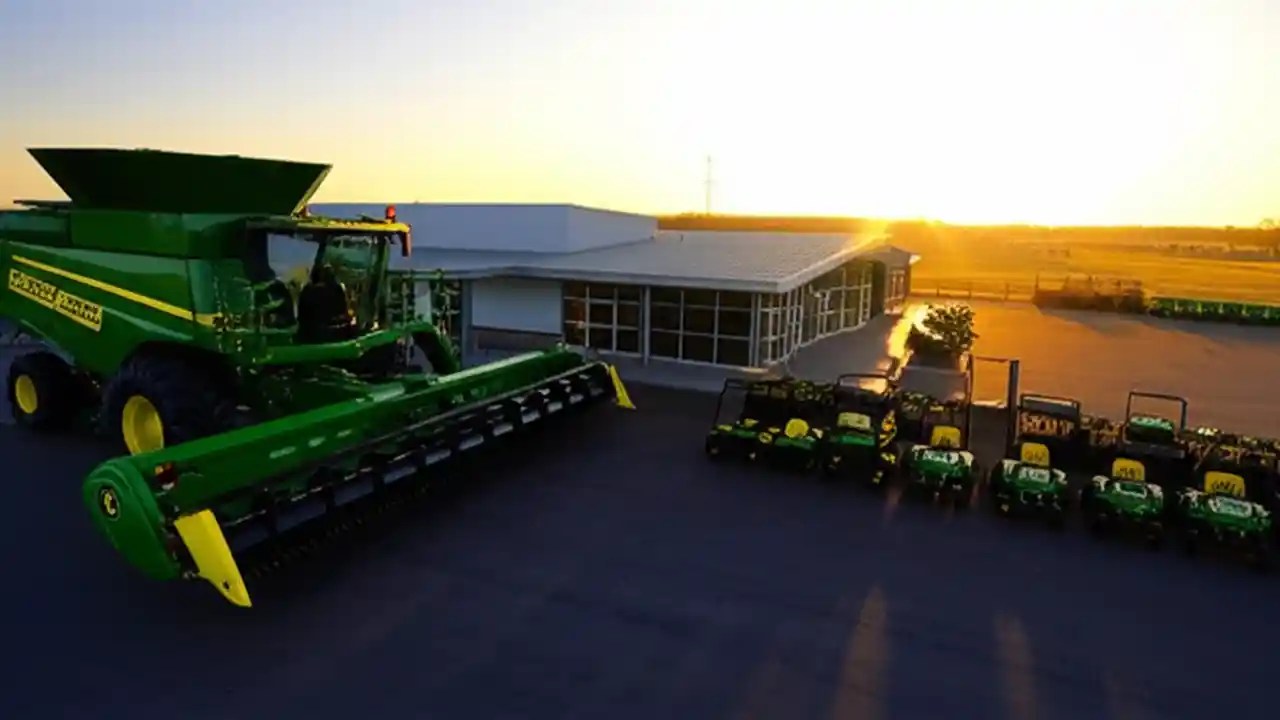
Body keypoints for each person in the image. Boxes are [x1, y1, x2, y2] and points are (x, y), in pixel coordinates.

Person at [296, 263, 355, 343]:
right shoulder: (336, 289)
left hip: (309, 334)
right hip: (331, 334)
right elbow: (342, 311)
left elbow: (301, 316)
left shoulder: (307, 290)